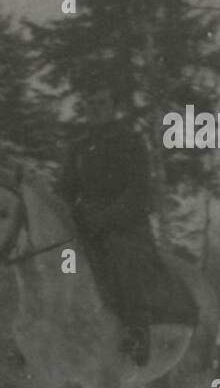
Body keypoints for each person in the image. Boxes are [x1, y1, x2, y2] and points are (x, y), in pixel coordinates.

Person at [57, 87, 156, 366]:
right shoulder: (78, 148)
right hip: (85, 226)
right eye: (90, 103)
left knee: (123, 255)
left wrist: (107, 218)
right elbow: (66, 189)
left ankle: (137, 330)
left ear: (114, 107)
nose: (95, 108)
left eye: (101, 102)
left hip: (126, 225)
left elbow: (138, 190)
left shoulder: (131, 142)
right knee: (58, 261)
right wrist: (63, 213)